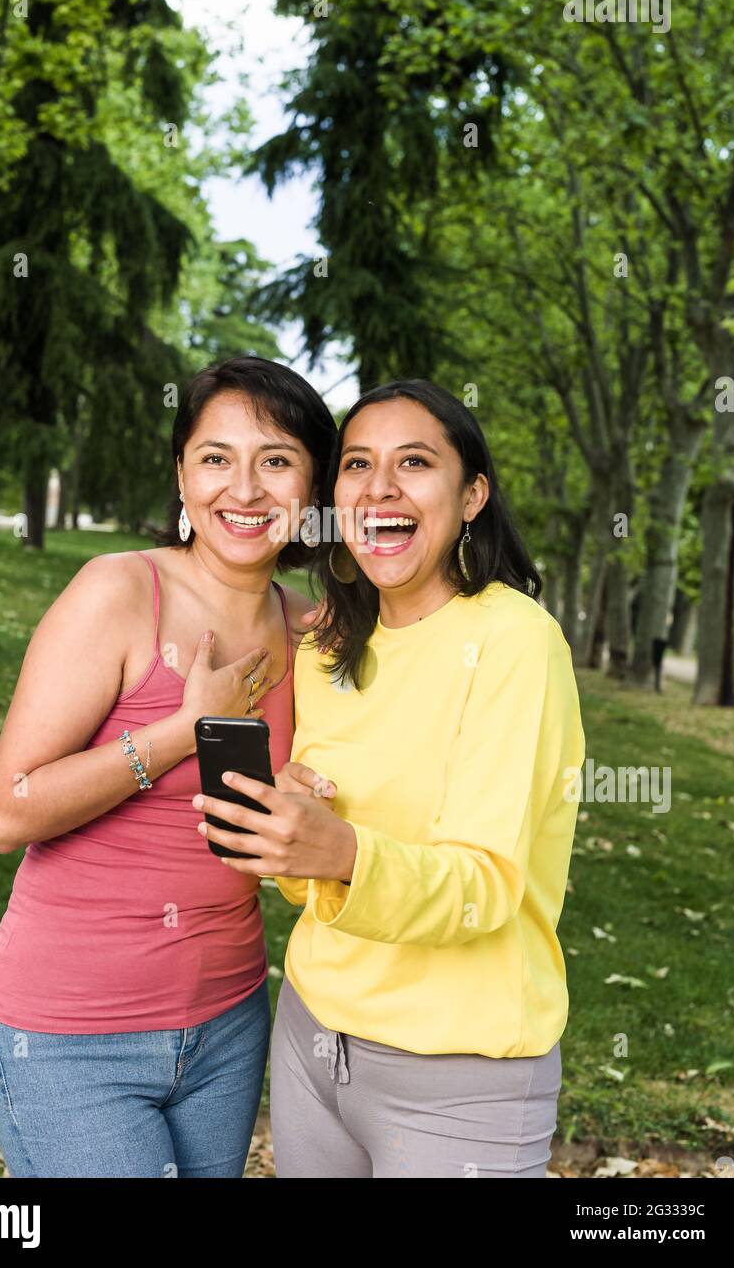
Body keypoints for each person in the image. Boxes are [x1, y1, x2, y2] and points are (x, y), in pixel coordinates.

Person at [192, 378, 586, 1178]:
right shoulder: (326, 643)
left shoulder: (517, 642)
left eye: (414, 462)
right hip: (310, 1043)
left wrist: (339, 852)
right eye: (358, 464)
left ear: (471, 494)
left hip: (457, 1078)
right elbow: (318, 887)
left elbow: (487, 885)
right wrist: (294, 837)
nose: (380, 488)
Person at [0, 355, 337, 1177]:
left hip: (228, 1023)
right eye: (216, 459)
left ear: (311, 493)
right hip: (69, 1033)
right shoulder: (119, 591)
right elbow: (9, 812)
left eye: (275, 461)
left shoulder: (313, 634)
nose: (243, 490)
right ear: (182, 475)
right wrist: (184, 730)